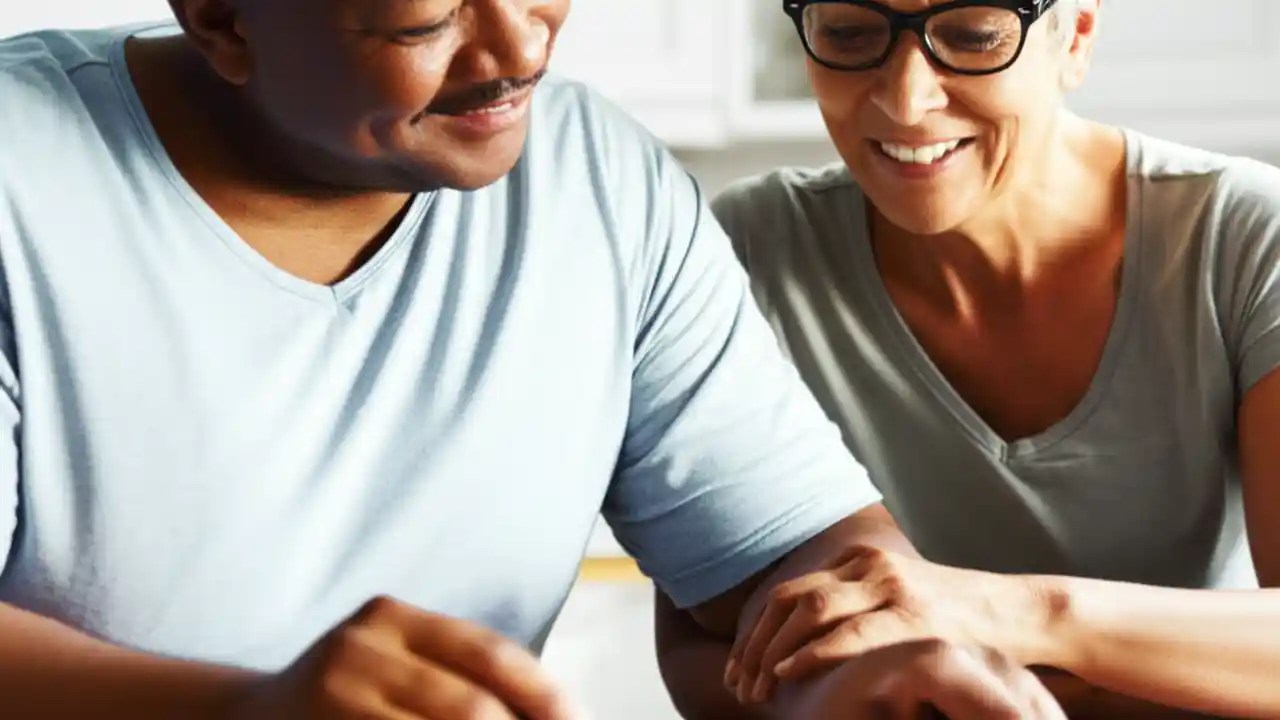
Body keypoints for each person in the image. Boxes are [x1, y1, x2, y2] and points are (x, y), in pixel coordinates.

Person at [0, 0, 1065, 718]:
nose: (516, 47)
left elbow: (781, 562)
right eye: (428, 15)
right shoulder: (22, 170)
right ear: (224, 18)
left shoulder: (598, 180)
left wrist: (874, 672)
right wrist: (249, 707)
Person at [659, 0, 1280, 717]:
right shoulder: (746, 253)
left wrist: (1009, 615)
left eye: (976, 37)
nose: (906, 98)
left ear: (1075, 37)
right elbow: (700, 654)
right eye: (849, 33)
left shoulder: (1246, 243)